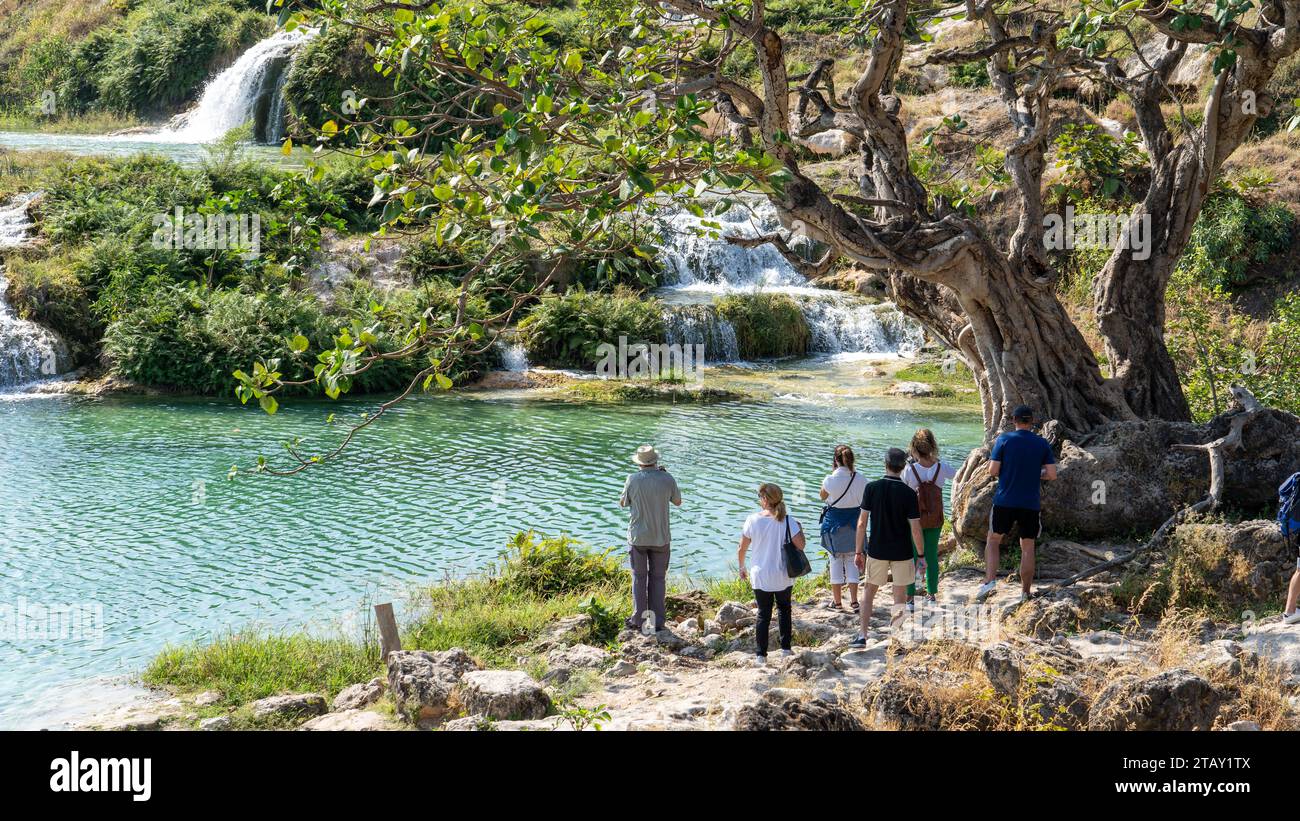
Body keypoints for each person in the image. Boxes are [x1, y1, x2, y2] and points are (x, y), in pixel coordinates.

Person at [976, 405, 1058, 604]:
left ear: (1014, 420)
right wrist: (1036, 473)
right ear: (1031, 422)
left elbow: (993, 470)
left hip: (1004, 500)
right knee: (1028, 547)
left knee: (993, 540)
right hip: (1030, 503)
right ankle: (1025, 592)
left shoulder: (1004, 439)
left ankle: (989, 582)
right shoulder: (1041, 443)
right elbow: (1052, 475)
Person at [851, 448, 925, 646]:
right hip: (902, 551)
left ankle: (862, 635)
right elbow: (916, 528)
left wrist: (858, 551)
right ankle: (896, 639)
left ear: (885, 464)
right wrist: (921, 554)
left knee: (868, 592)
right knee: (899, 596)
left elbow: (861, 523)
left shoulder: (872, 488)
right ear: (903, 467)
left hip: (877, 549)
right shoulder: (909, 493)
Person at [738, 483, 806, 666]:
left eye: (760, 497)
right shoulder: (789, 520)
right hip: (782, 574)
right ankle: (785, 649)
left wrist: (741, 567)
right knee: (784, 610)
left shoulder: (752, 520)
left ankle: (761, 655)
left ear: (765, 499)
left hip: (760, 575)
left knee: (763, 614)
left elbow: (742, 548)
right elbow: (801, 546)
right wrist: (799, 528)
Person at [619, 445, 682, 633]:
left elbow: (623, 503)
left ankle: (638, 620)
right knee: (658, 578)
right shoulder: (667, 478)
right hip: (661, 537)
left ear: (639, 463)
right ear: (655, 461)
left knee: (639, 578)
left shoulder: (632, 479)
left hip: (638, 537)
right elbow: (678, 502)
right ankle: (657, 622)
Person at [902, 429, 957, 608]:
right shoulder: (942, 467)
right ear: (933, 446)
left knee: (912, 555)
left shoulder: (909, 470)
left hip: (913, 519)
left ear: (914, 449)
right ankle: (931, 595)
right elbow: (958, 476)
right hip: (935, 518)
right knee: (931, 555)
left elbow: (901, 490)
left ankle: (910, 597)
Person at [820, 445, 866, 612]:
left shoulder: (829, 480)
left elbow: (822, 496)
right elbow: (864, 500)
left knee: (835, 560)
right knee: (854, 560)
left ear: (835, 460)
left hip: (834, 527)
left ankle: (837, 603)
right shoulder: (861, 479)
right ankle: (854, 602)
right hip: (855, 526)